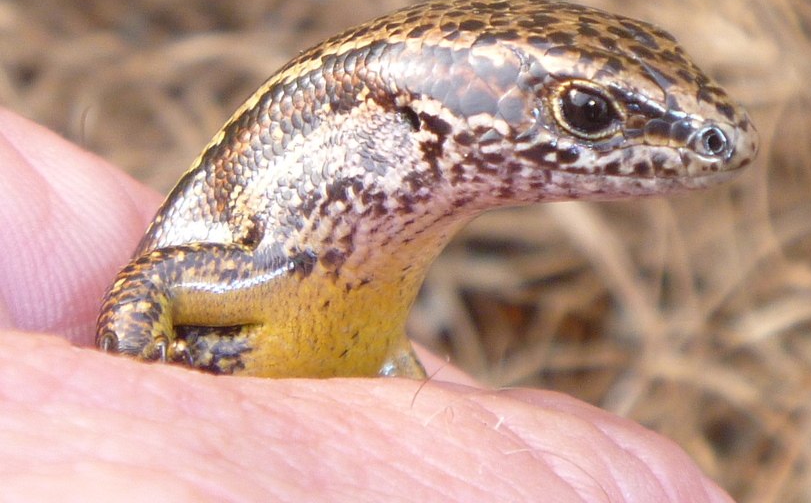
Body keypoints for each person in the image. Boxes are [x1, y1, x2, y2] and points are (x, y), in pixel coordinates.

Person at [0, 107, 733, 502]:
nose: (700, 142)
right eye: (583, 112)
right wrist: (130, 424)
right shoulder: (259, 269)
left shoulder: (370, 281)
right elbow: (143, 294)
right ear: (409, 127)